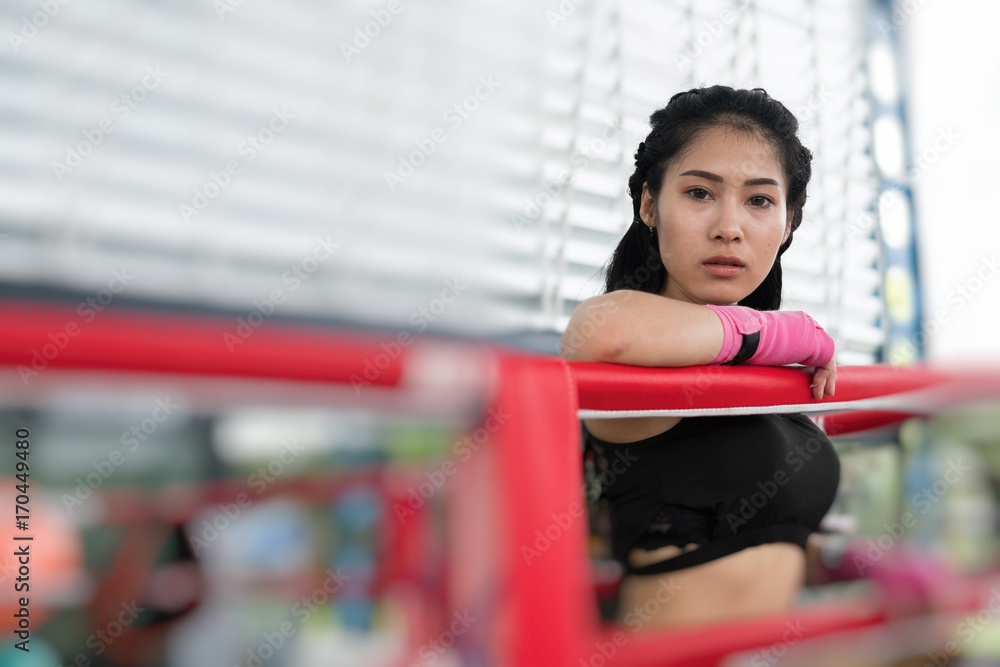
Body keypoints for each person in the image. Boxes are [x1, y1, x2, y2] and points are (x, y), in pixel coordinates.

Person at [560, 85, 841, 628]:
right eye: (699, 193)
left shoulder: (762, 369)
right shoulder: (632, 345)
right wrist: (791, 334)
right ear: (649, 204)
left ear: (788, 224)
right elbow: (599, 331)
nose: (728, 227)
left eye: (759, 200)